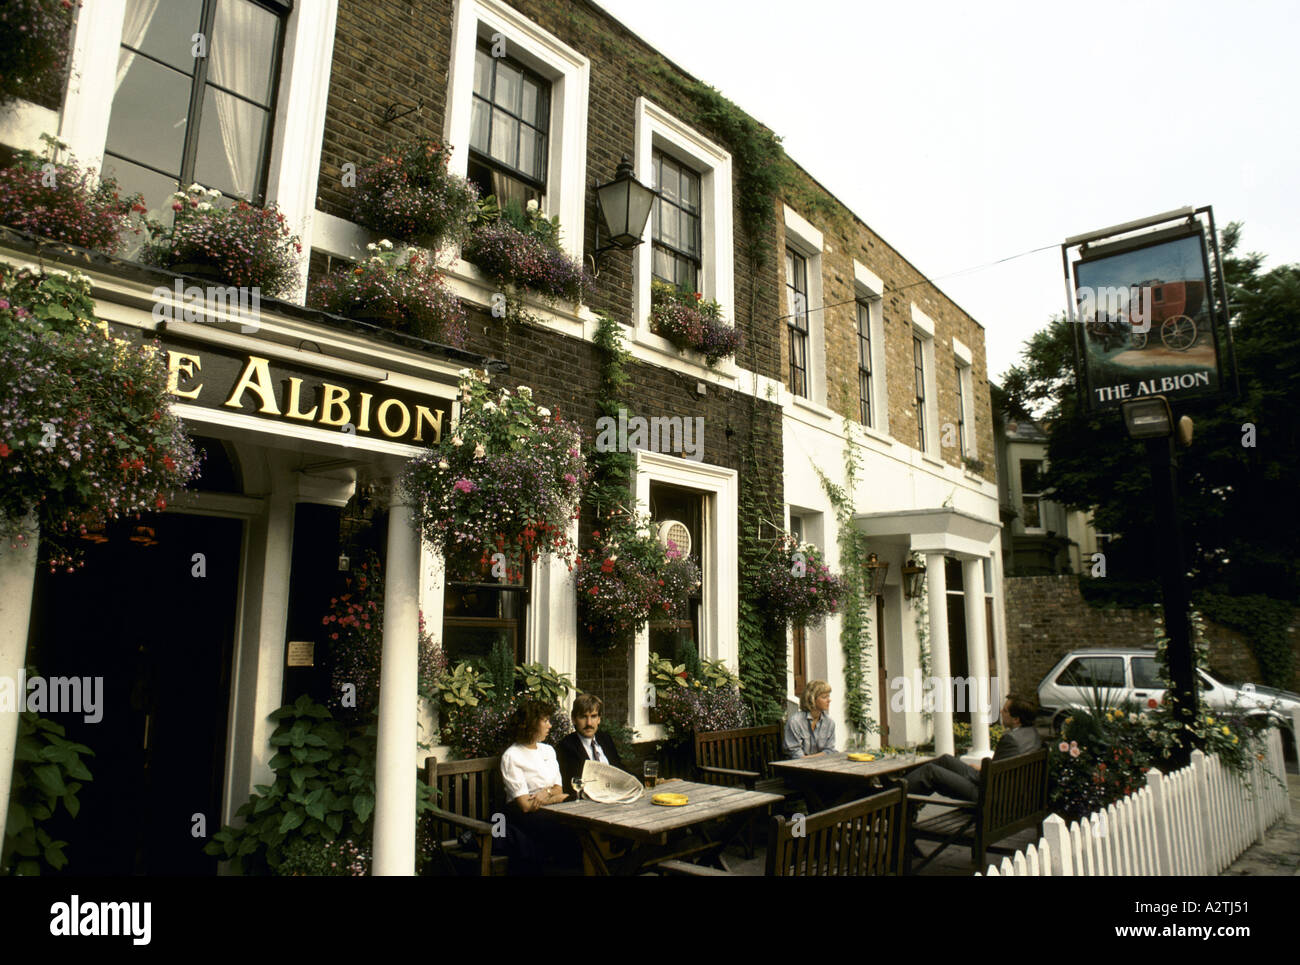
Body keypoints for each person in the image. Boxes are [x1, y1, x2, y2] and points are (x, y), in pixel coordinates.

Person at [904, 693, 1043, 801]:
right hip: (1001, 788)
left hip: (987, 796)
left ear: (1016, 719)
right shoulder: (1033, 735)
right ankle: (903, 789)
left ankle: (893, 795)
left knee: (931, 772)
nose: (1001, 712)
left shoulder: (1010, 740)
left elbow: (989, 778)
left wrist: (978, 772)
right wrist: (981, 769)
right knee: (945, 759)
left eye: (1005, 711)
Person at [499, 699, 573, 872]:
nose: (550, 726)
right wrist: (556, 797)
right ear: (532, 723)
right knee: (564, 831)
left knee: (578, 827)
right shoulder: (512, 756)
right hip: (523, 817)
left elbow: (558, 788)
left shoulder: (548, 750)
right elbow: (525, 805)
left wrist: (545, 793)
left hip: (548, 810)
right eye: (545, 720)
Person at [556, 693, 625, 793]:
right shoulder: (566, 747)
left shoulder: (605, 739)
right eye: (583, 717)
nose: (589, 723)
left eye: (593, 716)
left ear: (599, 719)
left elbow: (620, 770)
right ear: (574, 719)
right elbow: (571, 786)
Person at [783, 680, 837, 758]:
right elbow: (795, 754)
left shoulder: (829, 722)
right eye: (824, 697)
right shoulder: (795, 722)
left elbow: (830, 751)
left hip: (820, 765)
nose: (829, 700)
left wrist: (810, 759)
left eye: (829, 696)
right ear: (812, 699)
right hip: (796, 767)